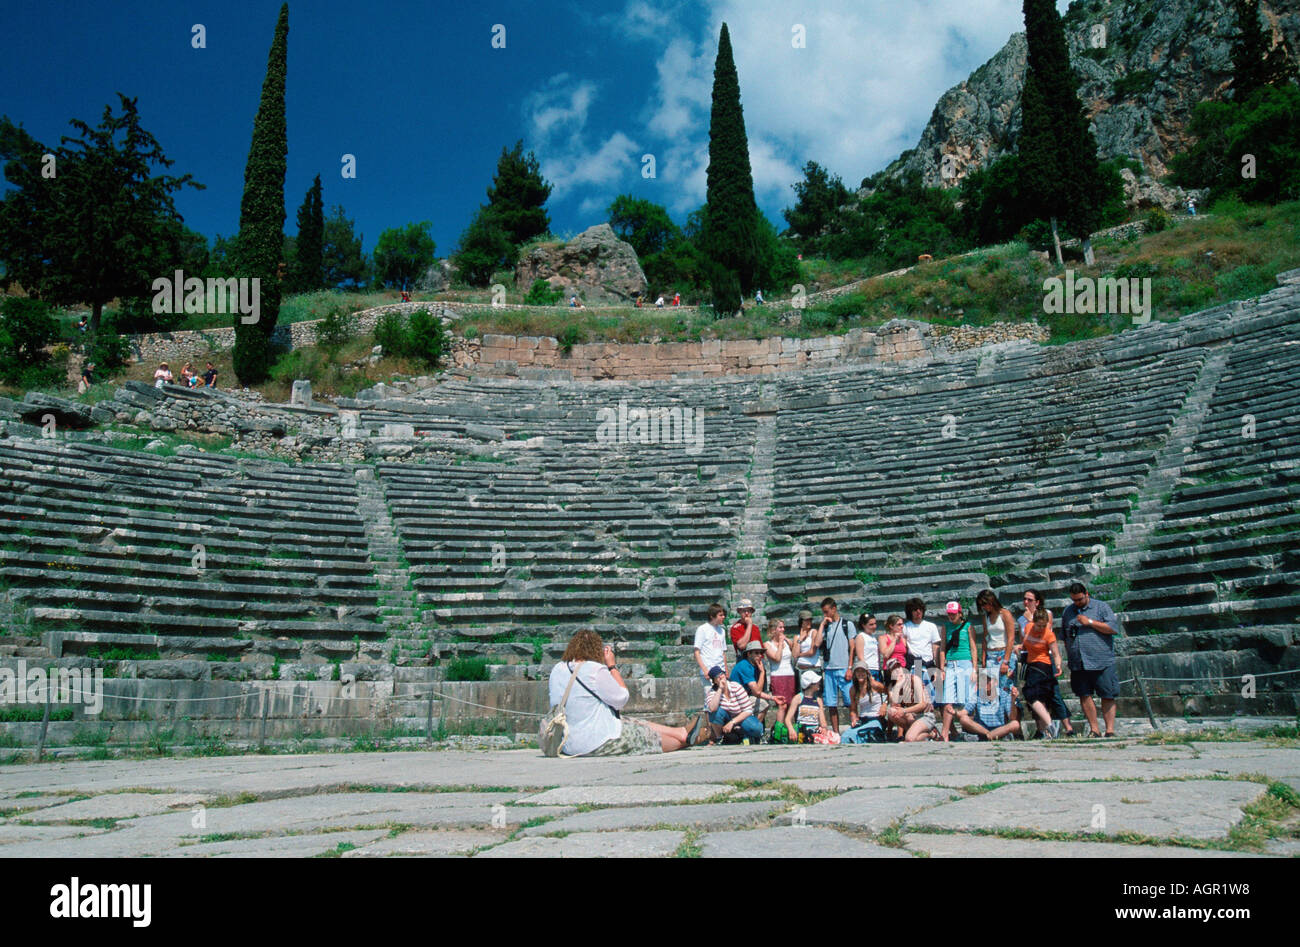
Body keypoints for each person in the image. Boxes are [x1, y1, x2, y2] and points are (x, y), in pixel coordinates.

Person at [548, 630, 696, 755]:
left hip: (566, 743)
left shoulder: (557, 669)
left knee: (632, 722)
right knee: (646, 738)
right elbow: (621, 698)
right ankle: (685, 740)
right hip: (595, 742)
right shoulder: (594, 669)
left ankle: (681, 732)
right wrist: (612, 666)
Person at [1060, 581, 1122, 738]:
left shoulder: (1101, 607)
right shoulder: (1068, 612)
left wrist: (1091, 622)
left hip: (1101, 659)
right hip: (1079, 661)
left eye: (1080, 599)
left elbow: (1112, 629)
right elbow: (1065, 636)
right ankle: (1094, 729)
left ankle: (1110, 730)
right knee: (1084, 694)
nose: (1077, 603)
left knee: (1107, 694)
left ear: (1086, 594)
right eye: (1074, 600)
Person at [1019, 589, 1075, 736]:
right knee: (1034, 697)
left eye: (1044, 626)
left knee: (1034, 694)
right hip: (1031, 665)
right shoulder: (1028, 627)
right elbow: (1024, 644)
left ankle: (1054, 726)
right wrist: (1017, 648)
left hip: (1043, 665)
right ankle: (1047, 726)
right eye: (1039, 626)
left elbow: (1056, 653)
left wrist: (1058, 665)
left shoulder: (1048, 634)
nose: (1041, 629)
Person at [975, 589, 1018, 728]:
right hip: (990, 654)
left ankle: (1012, 725)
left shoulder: (1005, 614)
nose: (984, 607)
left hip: (1003, 653)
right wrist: (983, 660)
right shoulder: (986, 617)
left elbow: (1011, 638)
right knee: (989, 692)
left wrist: (1006, 660)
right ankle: (993, 725)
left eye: (985, 604)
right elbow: (986, 638)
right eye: (982, 605)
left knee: (1005, 690)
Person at [938, 601, 977, 742]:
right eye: (949, 614)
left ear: (960, 613)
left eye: (953, 614)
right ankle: (945, 733)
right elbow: (942, 648)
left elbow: (973, 648)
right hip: (951, 663)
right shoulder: (945, 627)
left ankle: (968, 730)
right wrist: (942, 668)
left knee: (967, 698)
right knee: (948, 699)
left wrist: (974, 668)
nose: (951, 616)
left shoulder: (968, 627)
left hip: (965, 662)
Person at [817, 597, 856, 730]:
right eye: (823, 612)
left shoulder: (847, 625)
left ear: (834, 609)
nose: (825, 615)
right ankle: (835, 732)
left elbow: (852, 647)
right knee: (831, 704)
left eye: (827, 611)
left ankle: (854, 727)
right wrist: (822, 625)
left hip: (843, 667)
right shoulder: (826, 626)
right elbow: (817, 643)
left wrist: (850, 667)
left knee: (850, 701)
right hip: (829, 669)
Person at [955, 670, 1020, 741]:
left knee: (1015, 724)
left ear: (995, 682)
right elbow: (964, 712)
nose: (985, 683)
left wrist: (1013, 700)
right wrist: (954, 712)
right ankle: (989, 735)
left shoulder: (1004, 695)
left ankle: (986, 736)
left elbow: (1012, 718)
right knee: (963, 719)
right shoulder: (977, 694)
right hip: (981, 728)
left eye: (988, 680)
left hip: (999, 728)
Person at [706, 665, 763, 744]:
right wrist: (720, 689)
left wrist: (732, 722)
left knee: (756, 728)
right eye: (717, 677)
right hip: (725, 719)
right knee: (715, 712)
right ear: (714, 681)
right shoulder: (712, 692)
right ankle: (720, 738)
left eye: (721, 674)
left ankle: (748, 736)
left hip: (741, 718)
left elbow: (748, 710)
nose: (720, 677)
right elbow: (712, 709)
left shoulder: (736, 687)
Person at [731, 641, 778, 734]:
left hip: (744, 697)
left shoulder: (756, 666)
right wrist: (762, 673)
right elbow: (757, 692)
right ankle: (751, 731)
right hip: (734, 700)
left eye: (761, 653)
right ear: (749, 654)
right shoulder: (744, 666)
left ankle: (752, 731)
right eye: (756, 653)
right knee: (763, 704)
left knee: (764, 704)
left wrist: (773, 698)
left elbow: (756, 692)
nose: (760, 655)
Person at [885, 658, 935, 742]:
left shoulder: (914, 679)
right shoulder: (892, 686)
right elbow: (894, 705)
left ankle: (932, 734)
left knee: (909, 738)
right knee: (891, 712)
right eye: (894, 670)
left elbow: (922, 704)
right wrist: (898, 685)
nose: (897, 671)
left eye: (898, 667)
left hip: (925, 716)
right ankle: (920, 733)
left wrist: (905, 711)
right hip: (912, 716)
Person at [902, 597, 942, 701]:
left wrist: (938, 669)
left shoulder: (931, 626)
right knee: (918, 697)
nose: (918, 612)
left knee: (936, 696)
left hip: (929, 663)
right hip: (915, 664)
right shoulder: (905, 627)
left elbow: (935, 648)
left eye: (920, 609)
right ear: (910, 612)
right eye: (915, 609)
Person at [841, 661, 887, 743]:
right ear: (854, 674)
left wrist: (884, 704)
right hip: (862, 719)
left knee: (857, 734)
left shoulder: (875, 685)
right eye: (858, 671)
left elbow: (889, 694)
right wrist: (854, 718)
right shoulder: (853, 689)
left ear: (867, 673)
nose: (860, 673)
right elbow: (853, 709)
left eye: (862, 671)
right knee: (845, 736)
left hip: (875, 719)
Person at [763, 617, 796, 724]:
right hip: (778, 676)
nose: (783, 630)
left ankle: (789, 730)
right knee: (782, 705)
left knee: (791, 705)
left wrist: (789, 642)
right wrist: (781, 644)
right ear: (774, 630)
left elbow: (795, 653)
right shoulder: (767, 644)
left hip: (790, 675)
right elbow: (777, 658)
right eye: (780, 627)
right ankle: (779, 731)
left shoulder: (787, 642)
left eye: (783, 627)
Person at [693, 603, 729, 700]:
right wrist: (704, 670)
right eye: (720, 615)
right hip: (708, 670)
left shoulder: (722, 631)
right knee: (709, 699)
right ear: (712, 616)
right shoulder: (702, 629)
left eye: (723, 615)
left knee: (723, 698)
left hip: (720, 671)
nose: (723, 617)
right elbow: (696, 652)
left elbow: (723, 652)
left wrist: (726, 670)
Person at [785, 669, 827, 742]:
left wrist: (823, 728)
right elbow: (787, 719)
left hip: (815, 731)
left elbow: (822, 721)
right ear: (810, 684)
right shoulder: (798, 698)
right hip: (802, 731)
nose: (818, 683)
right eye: (816, 682)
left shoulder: (818, 700)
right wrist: (791, 730)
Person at [852, 613, 881, 682]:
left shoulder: (873, 638)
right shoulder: (861, 636)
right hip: (867, 669)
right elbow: (860, 656)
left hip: (876, 668)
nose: (874, 626)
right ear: (863, 625)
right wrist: (867, 671)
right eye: (871, 624)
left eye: (875, 624)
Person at [792, 608, 822, 677]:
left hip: (814, 667)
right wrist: (800, 639)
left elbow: (812, 652)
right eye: (806, 620)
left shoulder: (814, 632)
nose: (809, 622)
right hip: (801, 667)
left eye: (810, 620)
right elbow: (794, 655)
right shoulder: (797, 637)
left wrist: (799, 654)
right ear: (801, 622)